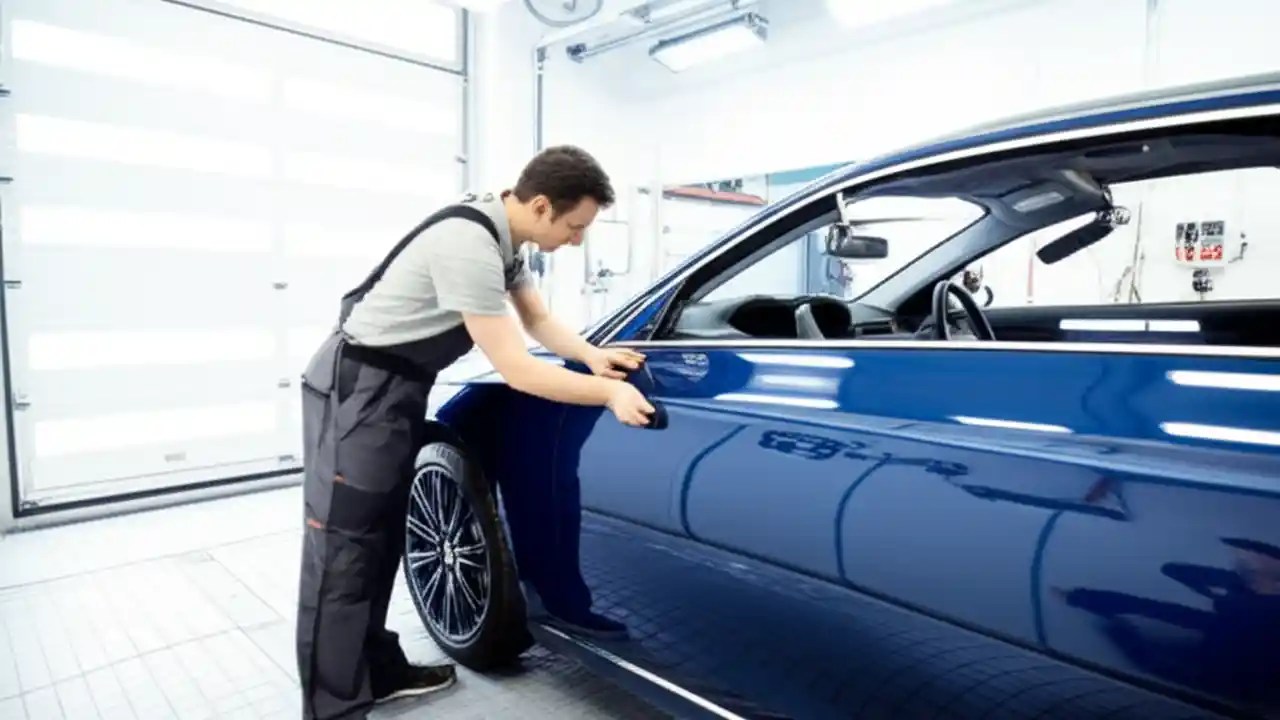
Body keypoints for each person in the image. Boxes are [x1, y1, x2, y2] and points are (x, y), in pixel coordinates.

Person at [294, 145, 655, 720]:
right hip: (358, 390)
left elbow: (534, 320)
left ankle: (377, 670)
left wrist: (593, 356)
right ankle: (333, 706)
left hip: (396, 388)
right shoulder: (469, 245)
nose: (578, 240)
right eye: (575, 226)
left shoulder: (503, 235)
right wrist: (607, 393)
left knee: (382, 539)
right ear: (541, 206)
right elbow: (516, 367)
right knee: (344, 550)